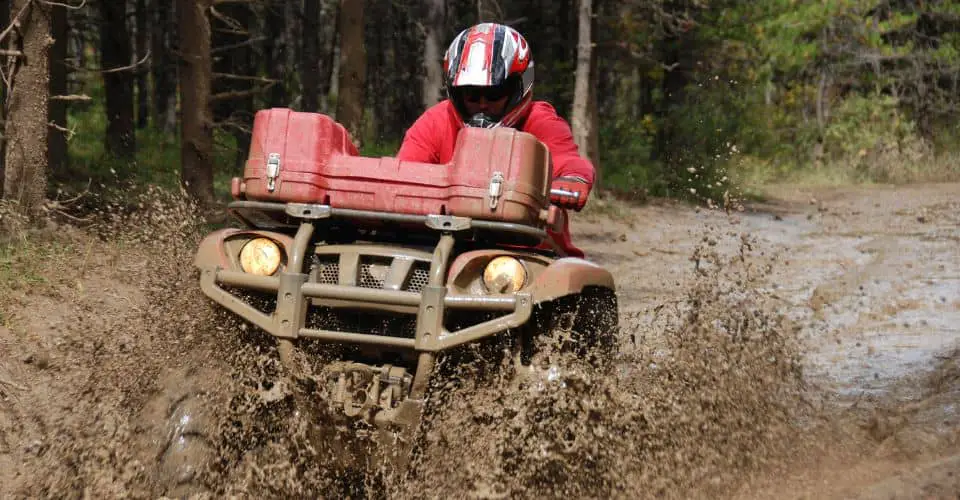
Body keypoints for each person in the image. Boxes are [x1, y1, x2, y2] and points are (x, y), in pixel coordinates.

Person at [396, 22, 594, 257]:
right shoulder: (436, 121)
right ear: (455, 93)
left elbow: (567, 159)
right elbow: (404, 172)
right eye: (471, 94)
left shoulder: (539, 120)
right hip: (445, 247)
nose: (482, 103)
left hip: (529, 252)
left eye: (494, 93)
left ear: (519, 87)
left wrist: (572, 179)